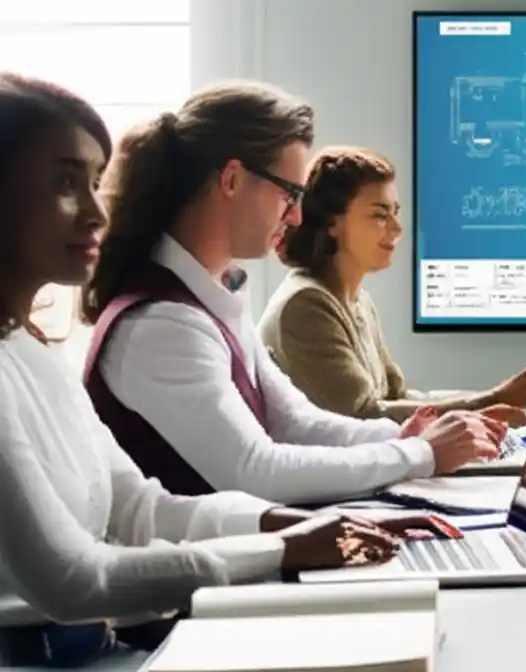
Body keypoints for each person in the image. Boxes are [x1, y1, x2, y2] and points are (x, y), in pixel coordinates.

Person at [0, 72, 424, 668]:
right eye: (67, 184)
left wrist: (290, 527)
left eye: (96, 183)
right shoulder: (154, 322)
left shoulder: (35, 349)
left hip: (94, 655)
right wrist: (276, 550)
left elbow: (142, 509)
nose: (97, 212)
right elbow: (74, 580)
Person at [80, 81, 501, 507]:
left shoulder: (212, 296)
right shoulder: (161, 325)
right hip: (203, 567)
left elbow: (294, 422)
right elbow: (256, 471)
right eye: (290, 193)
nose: (297, 215)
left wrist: (406, 436)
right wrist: (418, 454)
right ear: (232, 179)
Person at [259, 146, 526, 426]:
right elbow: (362, 416)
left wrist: (491, 406)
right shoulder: (306, 305)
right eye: (379, 214)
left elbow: (396, 397)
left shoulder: (357, 300)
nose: (397, 229)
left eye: (395, 212)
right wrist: (488, 402)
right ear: (330, 222)